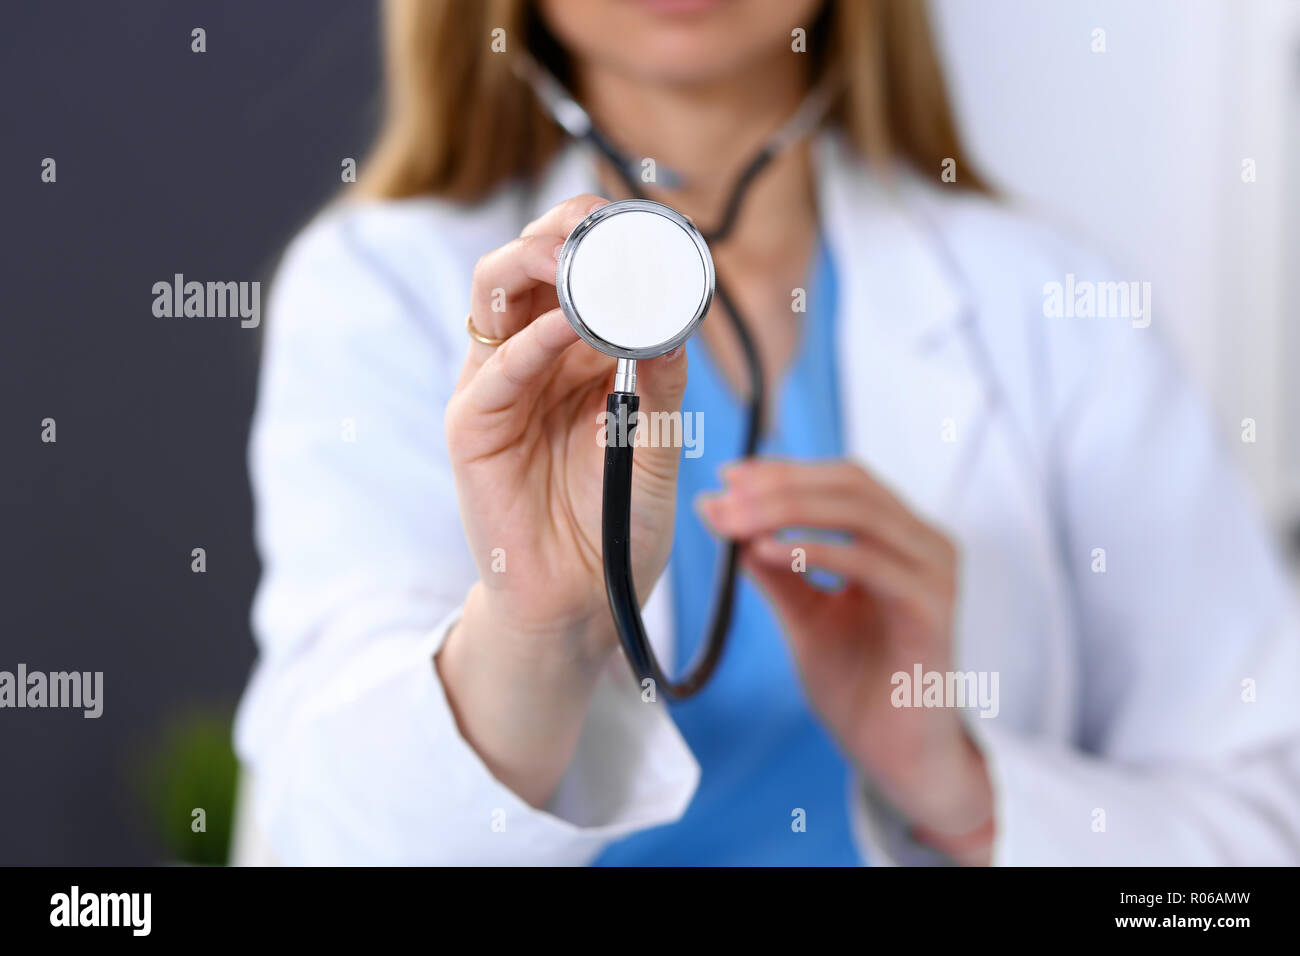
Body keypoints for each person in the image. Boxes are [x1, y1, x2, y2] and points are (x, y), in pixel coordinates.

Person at [233, 0, 1300, 865]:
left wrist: (963, 789)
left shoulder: (1058, 308)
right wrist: (531, 636)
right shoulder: (381, 290)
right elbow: (330, 833)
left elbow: (1263, 829)